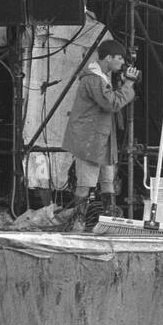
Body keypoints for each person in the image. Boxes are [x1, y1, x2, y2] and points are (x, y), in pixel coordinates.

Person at [60, 40, 138, 232]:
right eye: (119, 58)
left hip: (101, 139)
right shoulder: (94, 79)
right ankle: (77, 225)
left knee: (107, 181)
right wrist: (128, 84)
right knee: (85, 183)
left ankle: (108, 224)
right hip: (90, 139)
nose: (122, 63)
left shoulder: (102, 78)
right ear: (108, 58)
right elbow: (111, 103)